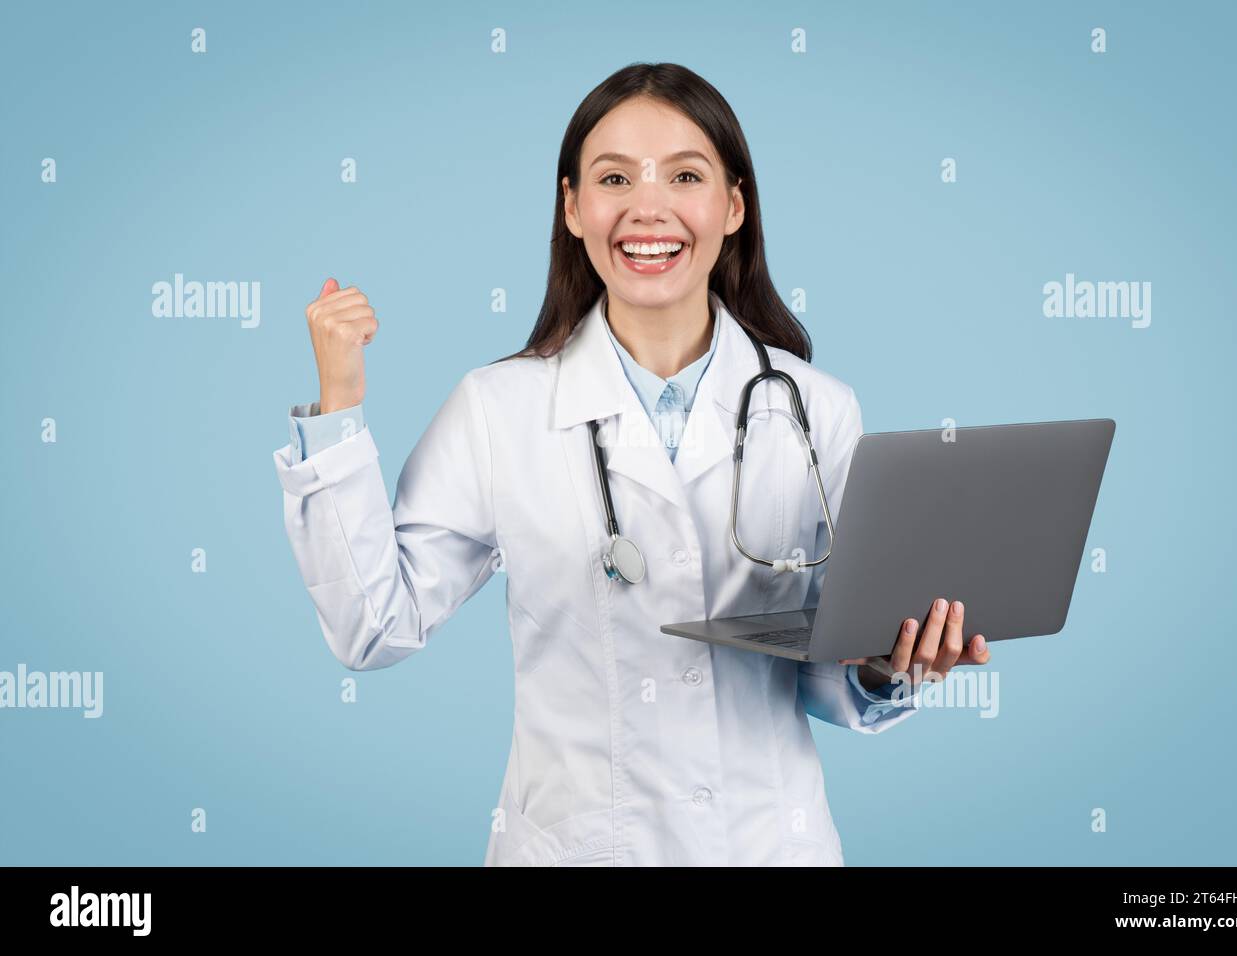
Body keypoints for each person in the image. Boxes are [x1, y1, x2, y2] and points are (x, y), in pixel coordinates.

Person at [272, 62, 991, 866]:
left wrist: (887, 668)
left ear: (733, 206)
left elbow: (818, 668)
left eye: (685, 175)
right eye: (615, 178)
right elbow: (373, 627)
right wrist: (338, 402)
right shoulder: (497, 408)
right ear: (574, 208)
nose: (648, 207)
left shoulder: (818, 408)